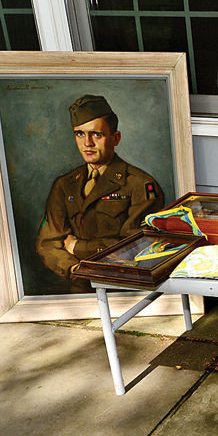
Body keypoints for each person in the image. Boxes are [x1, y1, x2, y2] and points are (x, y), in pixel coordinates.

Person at [36, 95, 165, 290]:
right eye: (79, 134)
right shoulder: (64, 184)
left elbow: (134, 246)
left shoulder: (140, 184)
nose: (87, 143)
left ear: (116, 138)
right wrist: (74, 269)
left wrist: (78, 247)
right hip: (77, 288)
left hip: (123, 288)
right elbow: (48, 243)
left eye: (96, 134)